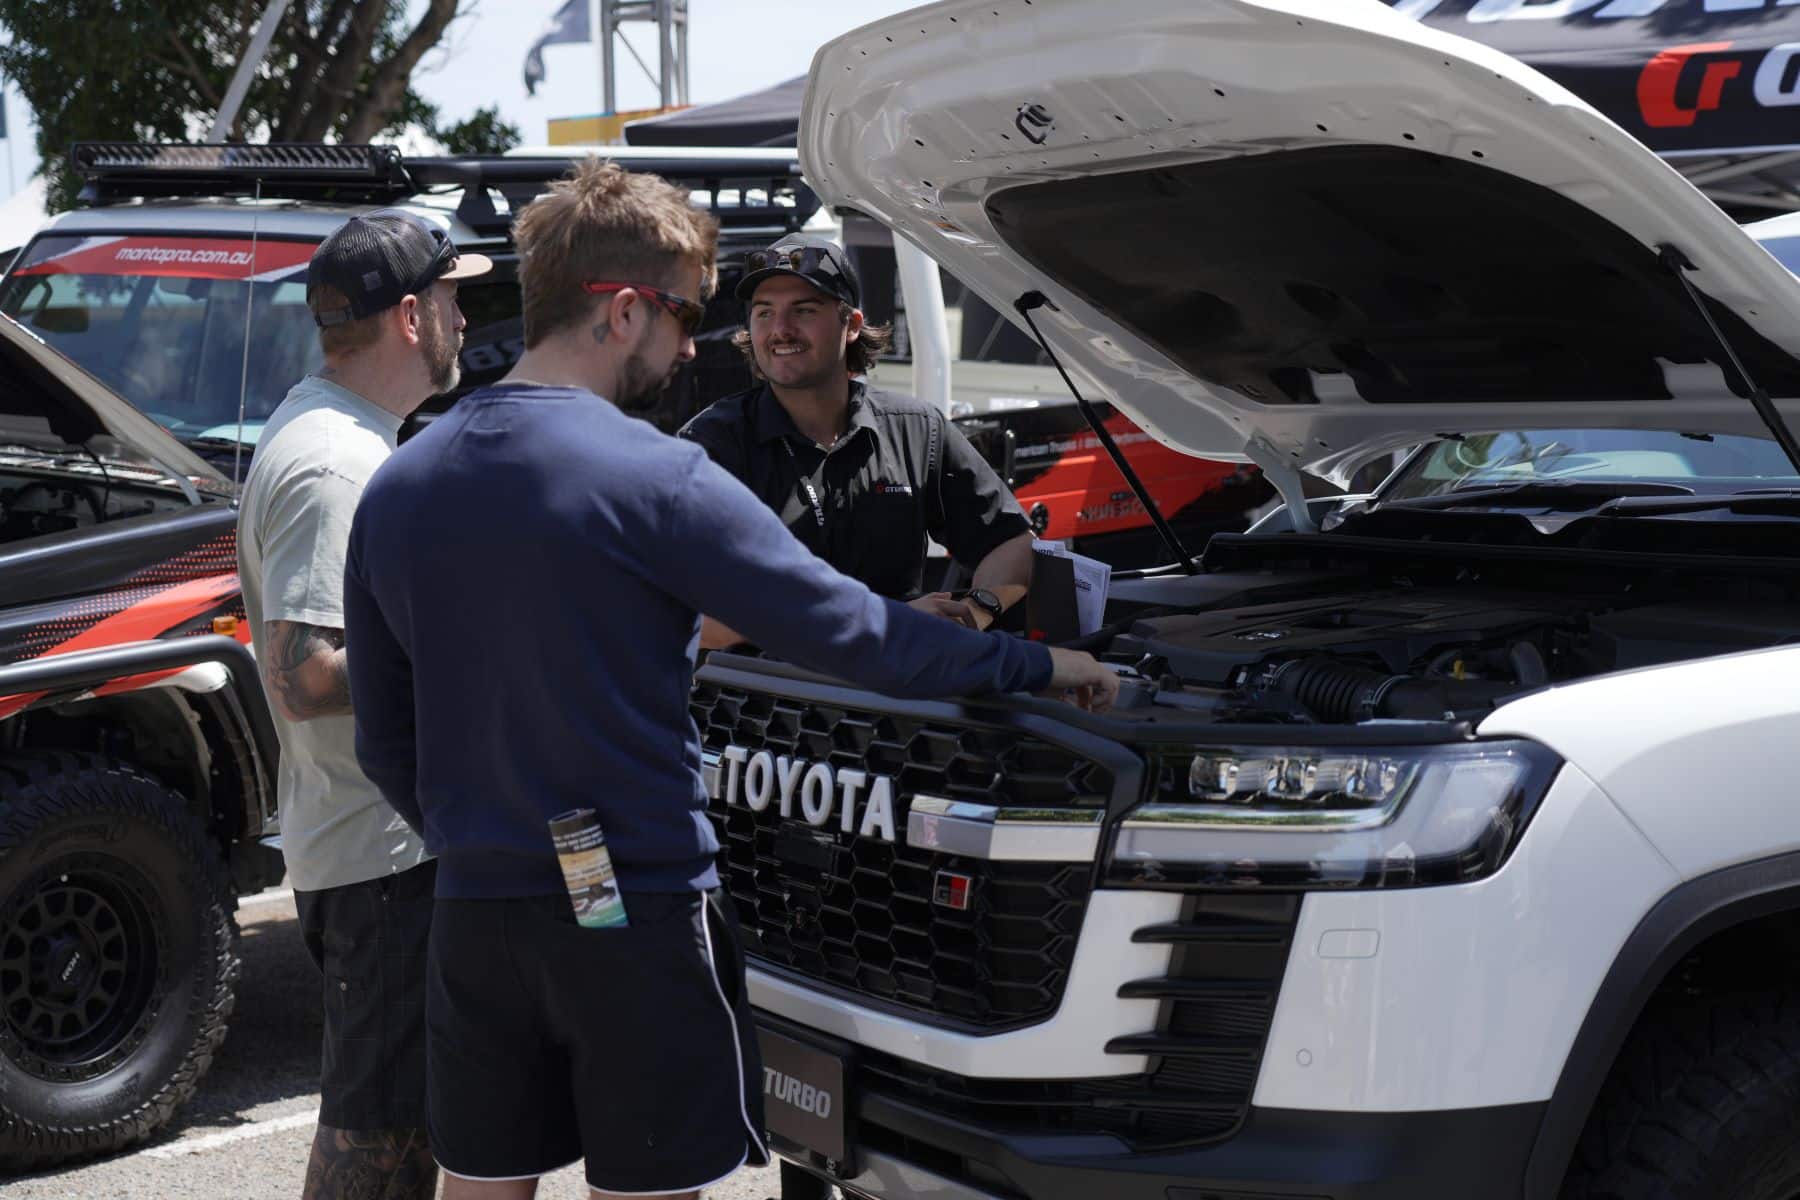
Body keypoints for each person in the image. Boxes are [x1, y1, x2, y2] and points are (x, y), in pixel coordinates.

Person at [341, 159, 1119, 1200]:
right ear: (623, 310)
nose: (691, 346)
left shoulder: (400, 485)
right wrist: (1041, 659)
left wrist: (485, 835)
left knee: (482, 1186)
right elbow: (858, 636)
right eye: (686, 316)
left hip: (477, 910)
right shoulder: (658, 477)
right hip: (634, 911)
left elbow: (385, 739)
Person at [237, 208, 490, 1200]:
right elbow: (303, 676)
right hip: (380, 859)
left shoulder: (345, 435)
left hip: (381, 845)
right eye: (454, 299)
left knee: (408, 1129)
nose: (466, 319)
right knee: (374, 1140)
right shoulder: (338, 463)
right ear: (409, 318)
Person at [680, 233, 1035, 648]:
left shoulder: (916, 429)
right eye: (763, 313)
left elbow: (1013, 543)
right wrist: (885, 623)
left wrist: (976, 613)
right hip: (762, 702)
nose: (780, 329)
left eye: (804, 310)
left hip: (895, 697)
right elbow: (692, 615)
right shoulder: (712, 446)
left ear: (851, 325)